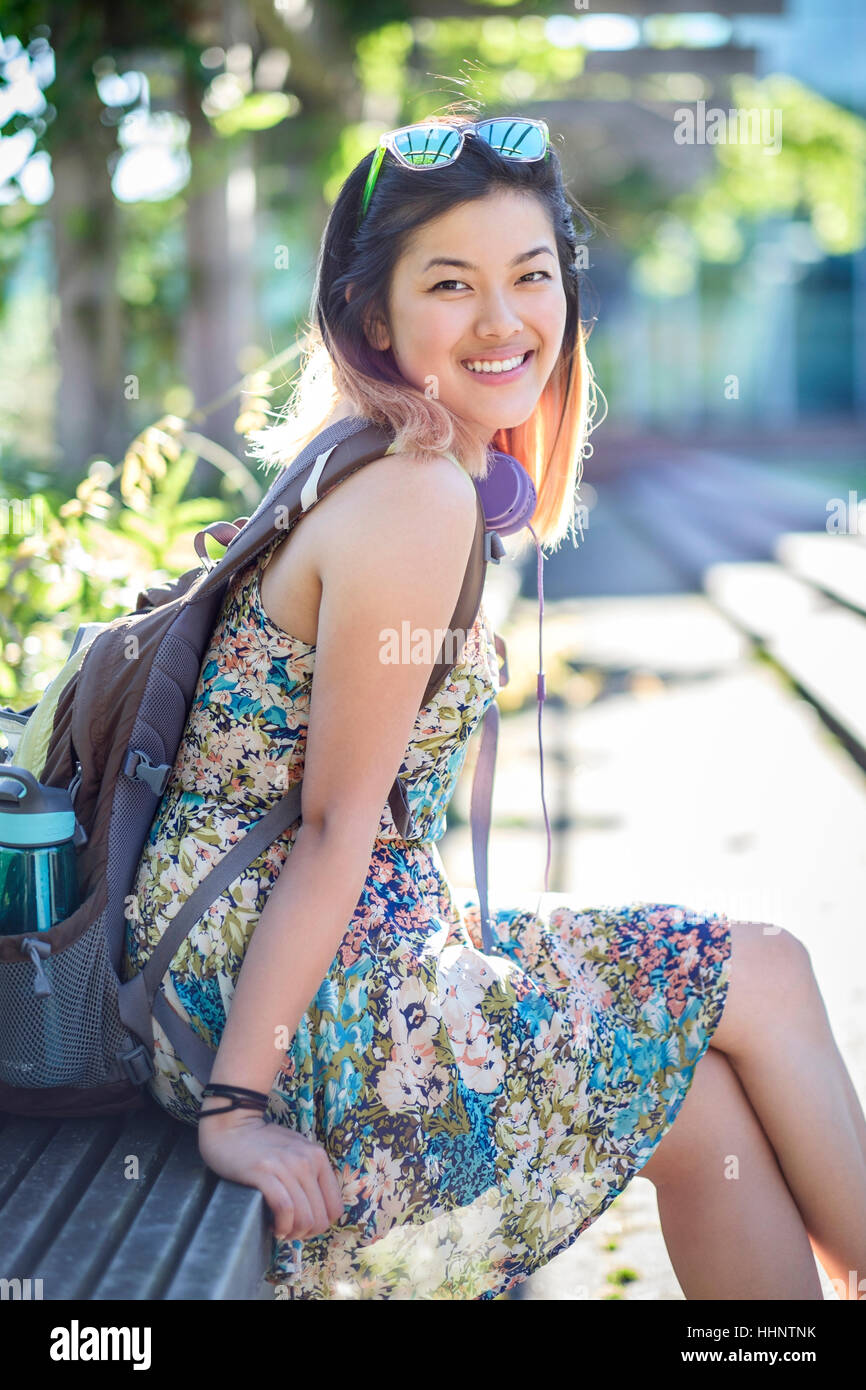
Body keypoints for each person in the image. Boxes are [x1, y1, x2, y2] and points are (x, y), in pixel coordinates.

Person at [122, 109, 866, 1301]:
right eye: (450, 285)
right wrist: (235, 1109)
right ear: (372, 318)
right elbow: (331, 827)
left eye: (530, 276)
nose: (501, 321)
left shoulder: (377, 455)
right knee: (764, 970)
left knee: (706, 1096)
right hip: (279, 999)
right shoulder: (416, 494)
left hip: (271, 954)